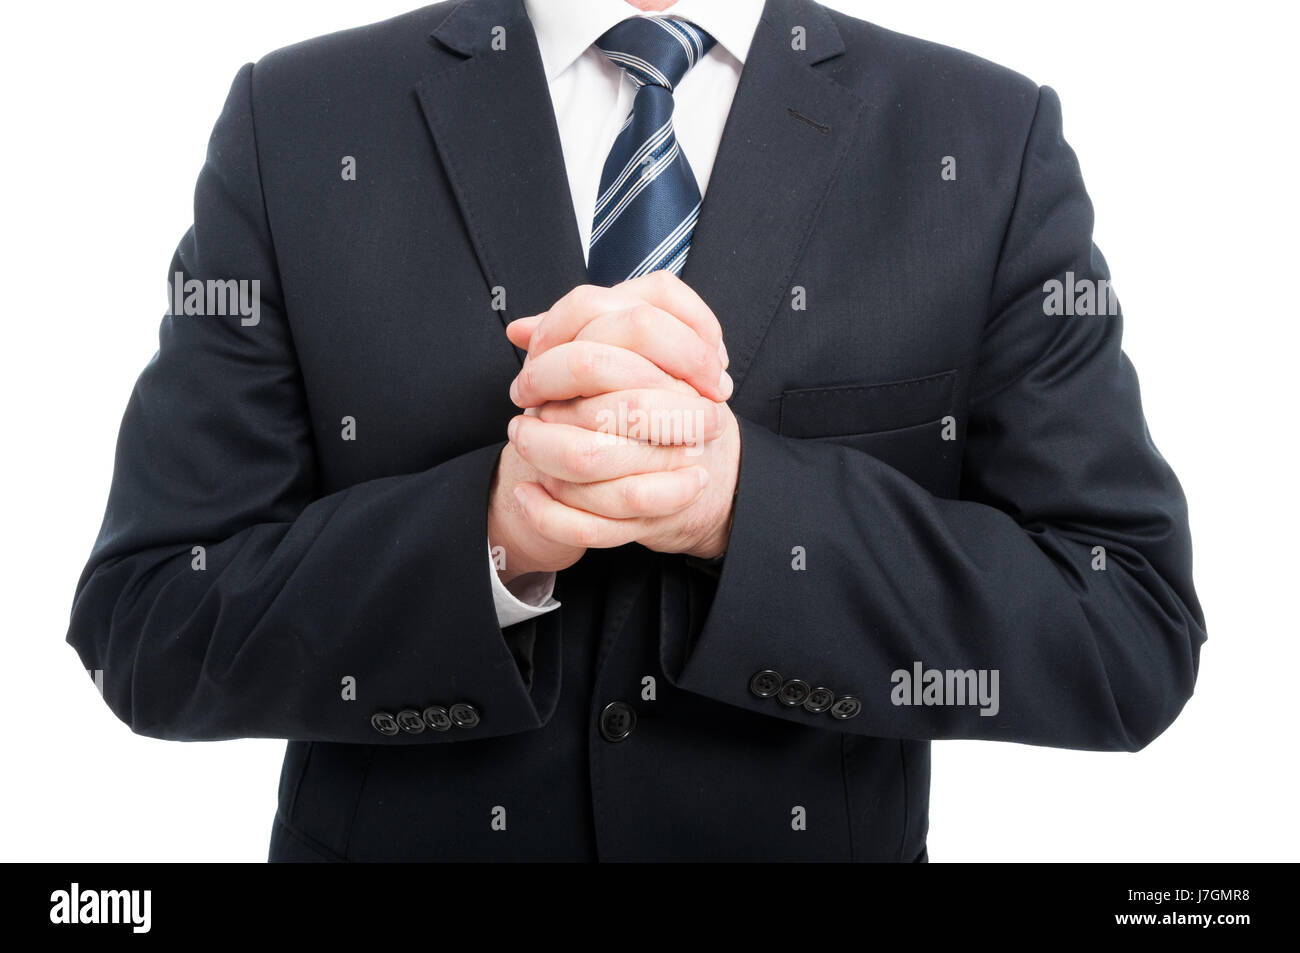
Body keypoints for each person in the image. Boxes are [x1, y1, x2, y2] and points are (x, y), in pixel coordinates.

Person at [67, 0, 1207, 862]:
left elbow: (1128, 625)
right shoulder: (300, 122)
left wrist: (749, 511)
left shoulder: (985, 141)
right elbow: (149, 617)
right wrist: (491, 536)